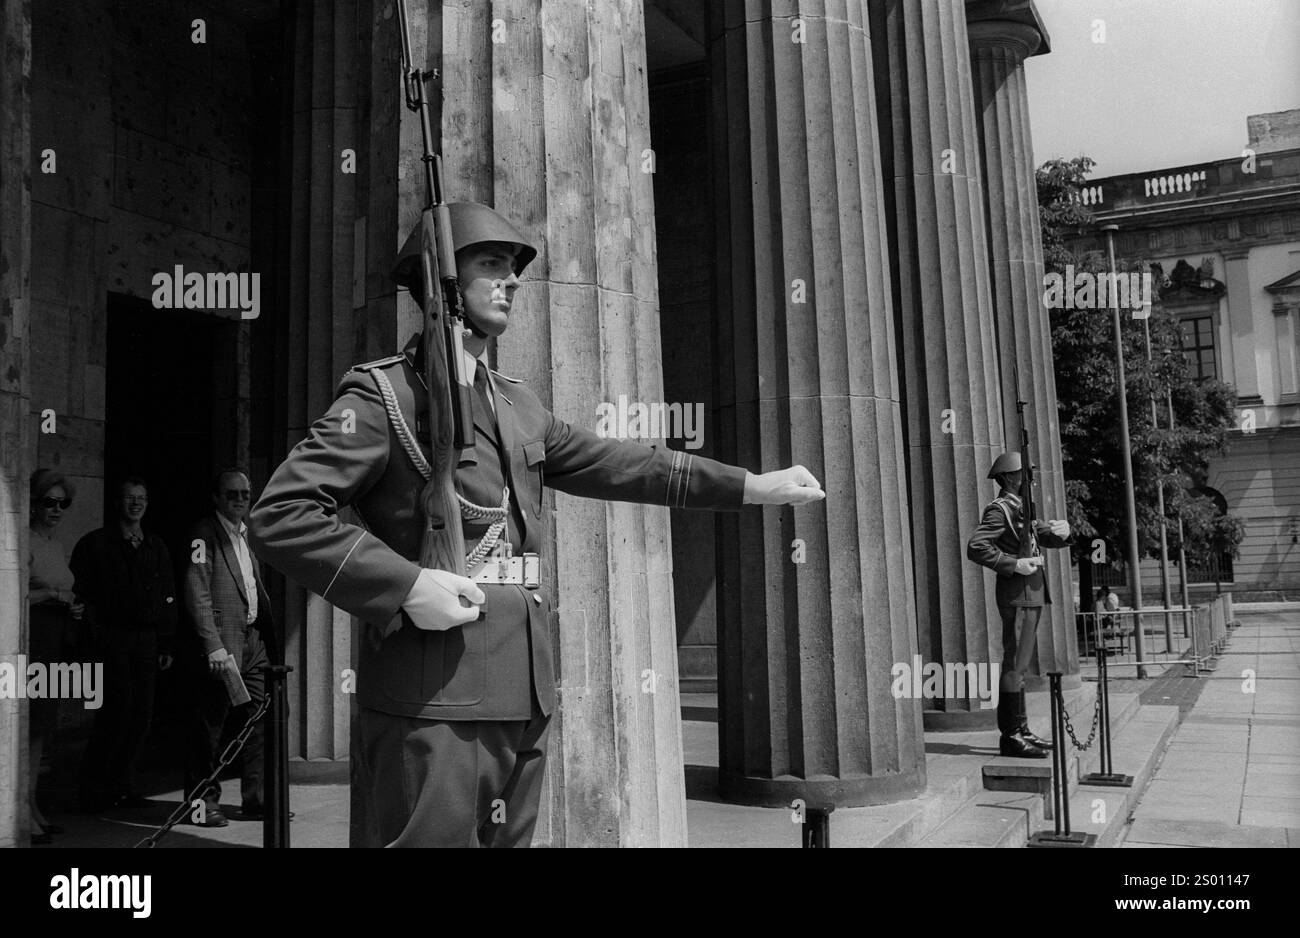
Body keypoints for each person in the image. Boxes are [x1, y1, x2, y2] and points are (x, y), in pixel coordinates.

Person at [248, 202, 826, 847]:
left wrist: (747, 485)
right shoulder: (383, 398)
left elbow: (619, 463)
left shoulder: (516, 402)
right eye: (491, 265)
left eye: (513, 268)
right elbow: (280, 515)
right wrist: (408, 587)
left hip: (522, 684)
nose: (513, 280)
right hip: (434, 689)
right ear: (443, 283)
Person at [70, 476, 177, 810]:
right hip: (111, 640)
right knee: (115, 712)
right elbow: (81, 595)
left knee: (142, 714)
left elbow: (167, 595)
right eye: (129, 498)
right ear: (117, 503)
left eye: (141, 498)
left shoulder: (156, 546)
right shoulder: (95, 544)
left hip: (146, 641)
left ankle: (123, 784)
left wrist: (166, 643)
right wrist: (95, 636)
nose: (136, 503)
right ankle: (93, 788)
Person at [181, 468, 274, 826]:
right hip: (222, 646)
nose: (239, 500)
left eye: (245, 495)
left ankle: (257, 799)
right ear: (216, 498)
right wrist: (213, 646)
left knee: (263, 716)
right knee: (210, 727)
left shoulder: (246, 535)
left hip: (251, 641)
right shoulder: (203, 535)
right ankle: (203, 804)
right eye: (232, 494)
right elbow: (197, 592)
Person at [967, 452, 1072, 758]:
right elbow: (976, 547)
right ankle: (1011, 735)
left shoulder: (1021, 508)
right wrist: (1014, 564)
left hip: (1031, 593)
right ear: (1011, 477)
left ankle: (1021, 729)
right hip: (1018, 593)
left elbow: (1042, 536)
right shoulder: (999, 510)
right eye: (1026, 474)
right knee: (1014, 665)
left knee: (1021, 666)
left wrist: (1063, 532)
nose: (1031, 479)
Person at [27, 469, 84, 844]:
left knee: (41, 729)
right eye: (49, 502)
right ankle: (20, 807)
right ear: (34, 502)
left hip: (54, 643)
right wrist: (51, 597)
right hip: (31, 644)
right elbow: (13, 594)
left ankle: (31, 804)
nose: (57, 509)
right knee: (27, 727)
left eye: (63, 503)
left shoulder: (56, 544)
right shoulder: (24, 542)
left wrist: (71, 605)